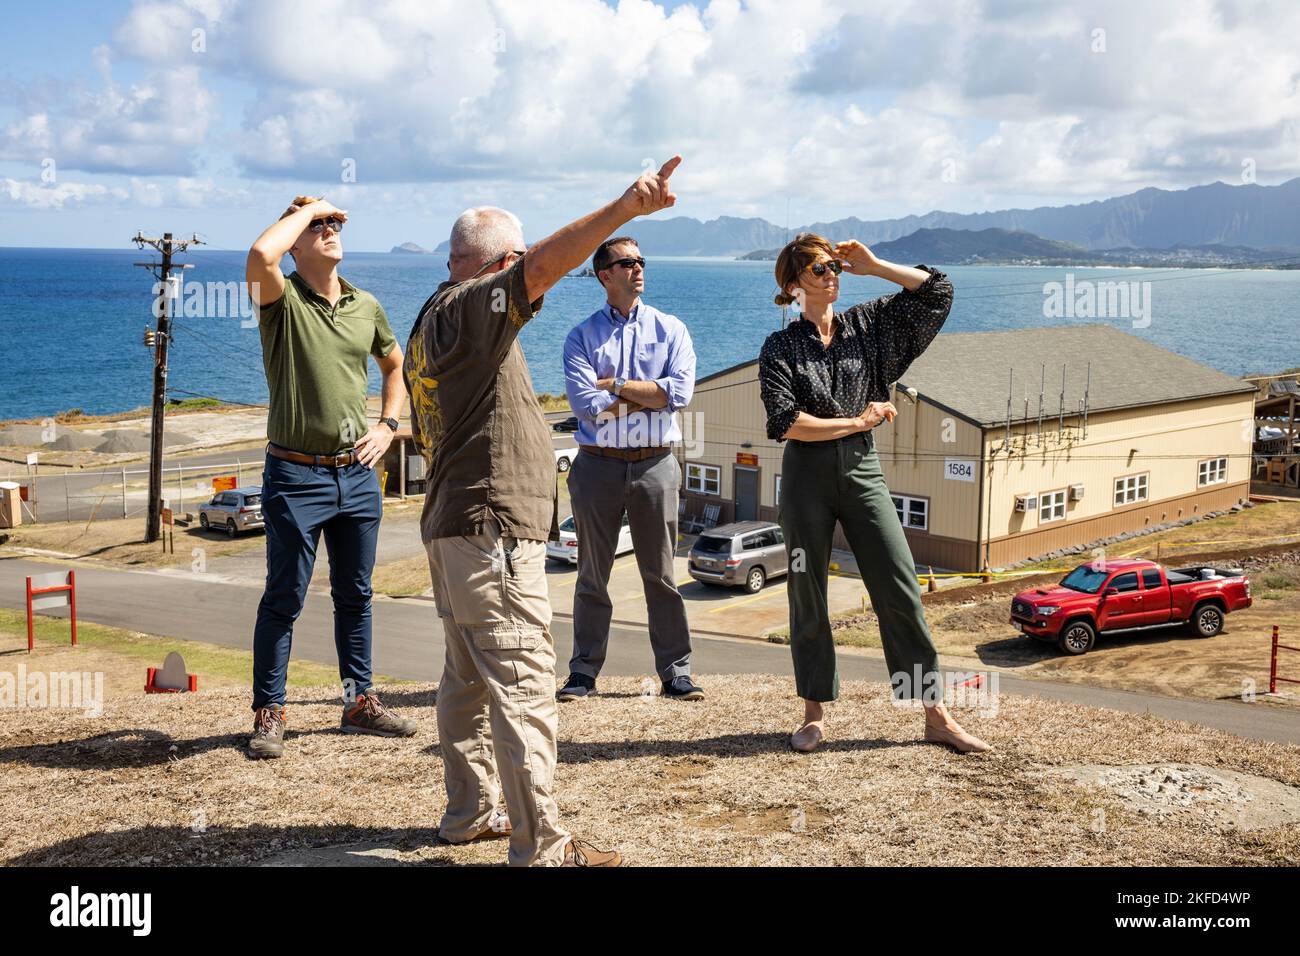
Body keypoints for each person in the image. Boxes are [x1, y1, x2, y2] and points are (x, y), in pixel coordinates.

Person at [405, 157, 684, 866]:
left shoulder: (431, 318)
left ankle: (469, 813)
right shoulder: (472, 308)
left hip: (454, 528)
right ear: (500, 262)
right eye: (517, 264)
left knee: (467, 681)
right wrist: (624, 208)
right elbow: (538, 274)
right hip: (491, 530)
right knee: (525, 684)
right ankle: (546, 846)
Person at [757, 232, 992, 755]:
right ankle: (814, 714)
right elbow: (786, 422)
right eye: (820, 269)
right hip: (805, 479)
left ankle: (935, 716)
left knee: (899, 586)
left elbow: (938, 293)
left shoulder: (867, 326)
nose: (832, 275)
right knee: (807, 592)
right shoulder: (779, 347)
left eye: (835, 266)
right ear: (795, 284)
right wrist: (855, 420)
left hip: (862, 471)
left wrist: (875, 264)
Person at [242, 196, 417, 759]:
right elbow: (260, 253)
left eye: (337, 223)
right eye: (319, 226)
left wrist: (388, 427)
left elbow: (396, 367)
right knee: (285, 597)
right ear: (295, 241)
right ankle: (270, 711)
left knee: (356, 595)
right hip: (295, 476)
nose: (331, 229)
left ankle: (357, 701)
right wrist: (311, 205)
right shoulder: (279, 298)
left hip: (358, 475)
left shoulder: (366, 305)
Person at [558, 236, 701, 703]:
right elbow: (585, 407)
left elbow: (678, 394)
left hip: (656, 464)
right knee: (591, 575)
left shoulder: (672, 329)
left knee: (660, 574)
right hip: (596, 466)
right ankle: (583, 673)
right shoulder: (581, 336)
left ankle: (676, 672)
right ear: (605, 275)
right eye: (628, 262)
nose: (639, 267)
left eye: (642, 259)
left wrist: (617, 386)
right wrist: (645, 395)